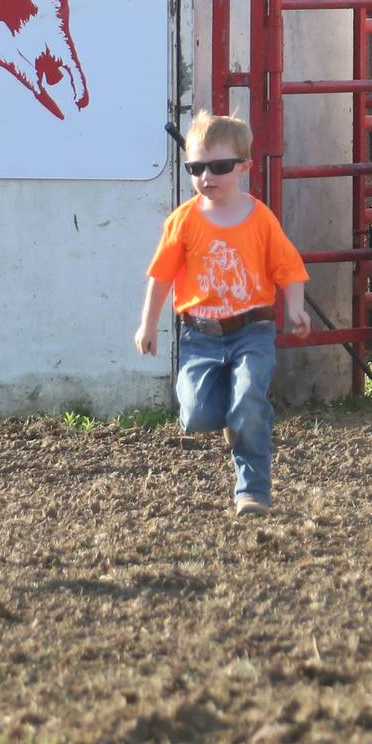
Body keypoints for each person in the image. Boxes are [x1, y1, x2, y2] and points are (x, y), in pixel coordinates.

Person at [135, 113, 312, 518]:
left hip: (253, 329)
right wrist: (148, 324)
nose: (206, 177)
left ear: (245, 167)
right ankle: (234, 421)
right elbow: (160, 276)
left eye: (219, 167)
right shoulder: (182, 221)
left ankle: (253, 492)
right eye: (195, 168)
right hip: (200, 335)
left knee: (249, 400)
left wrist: (296, 307)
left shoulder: (261, 218)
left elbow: (288, 267)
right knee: (197, 414)